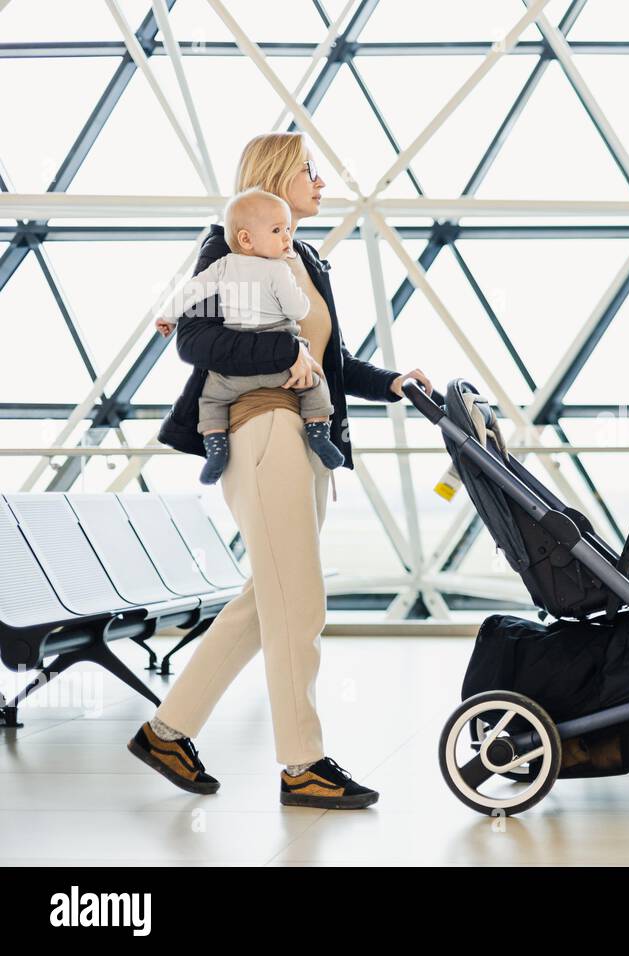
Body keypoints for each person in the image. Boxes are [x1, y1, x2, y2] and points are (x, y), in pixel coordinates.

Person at [131, 131, 430, 810]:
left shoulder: (305, 259)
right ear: (274, 177)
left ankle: (166, 731)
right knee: (300, 601)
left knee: (267, 600)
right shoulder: (231, 245)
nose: (322, 183)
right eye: (310, 172)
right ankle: (304, 764)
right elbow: (196, 339)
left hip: (303, 436)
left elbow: (330, 362)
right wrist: (282, 346)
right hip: (261, 427)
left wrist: (393, 384)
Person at [155, 187, 343, 485]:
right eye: (277, 230)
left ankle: (216, 446)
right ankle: (319, 433)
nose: (287, 237)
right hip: (282, 366)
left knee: (210, 400)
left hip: (233, 374)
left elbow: (191, 292)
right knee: (315, 386)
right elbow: (297, 309)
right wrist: (298, 295)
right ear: (246, 238)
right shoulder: (278, 270)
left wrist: (167, 317)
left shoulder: (222, 265)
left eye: (287, 230)